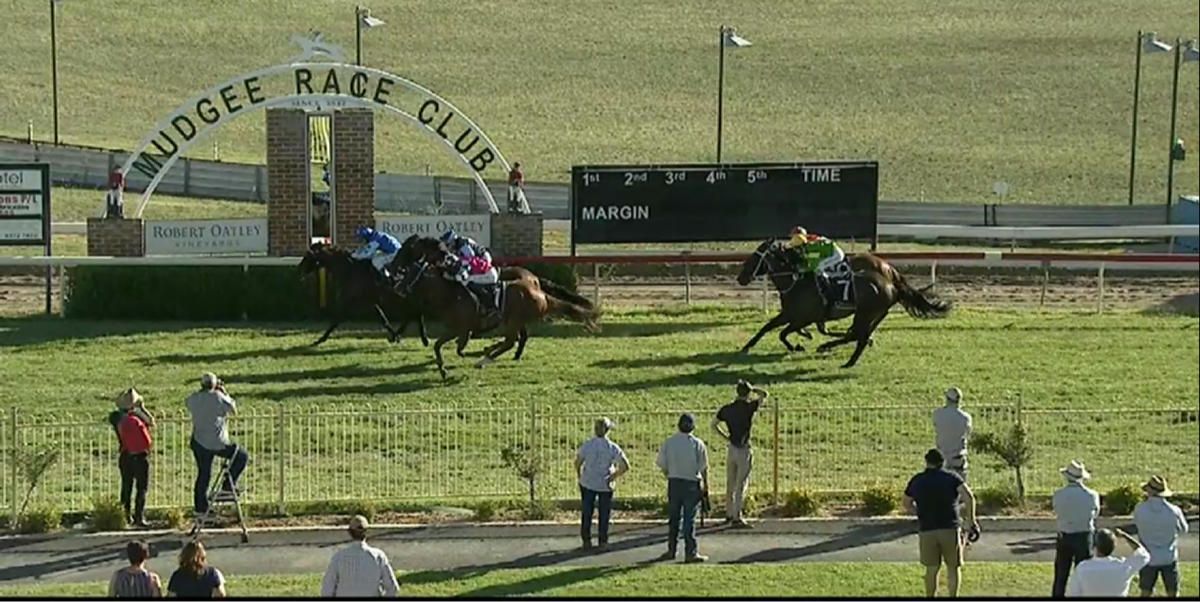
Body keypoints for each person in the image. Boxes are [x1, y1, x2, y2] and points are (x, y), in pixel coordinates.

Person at [903, 448, 979, 598]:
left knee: (931, 569)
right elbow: (969, 497)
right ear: (942, 462)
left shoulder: (917, 480)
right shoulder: (951, 477)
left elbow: (906, 503)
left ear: (926, 462)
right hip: (950, 528)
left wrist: (919, 513)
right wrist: (971, 521)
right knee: (953, 567)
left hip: (927, 529)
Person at [186, 373, 249, 518]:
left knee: (203, 474)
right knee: (241, 456)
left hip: (199, 442)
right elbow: (233, 409)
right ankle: (228, 484)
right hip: (218, 442)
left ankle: (200, 508)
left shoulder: (195, 398)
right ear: (214, 385)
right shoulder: (219, 397)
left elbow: (188, 402)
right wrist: (223, 392)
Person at [711, 379, 769, 528]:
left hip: (731, 447)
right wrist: (755, 389)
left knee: (730, 482)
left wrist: (726, 437)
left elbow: (714, 425)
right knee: (741, 483)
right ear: (747, 394)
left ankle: (729, 513)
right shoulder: (749, 408)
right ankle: (738, 516)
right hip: (744, 448)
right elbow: (764, 395)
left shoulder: (727, 409)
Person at [655, 413, 710, 563]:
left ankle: (671, 550)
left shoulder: (669, 442)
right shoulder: (697, 444)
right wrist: (706, 486)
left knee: (674, 518)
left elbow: (662, 464)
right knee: (689, 520)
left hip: (674, 482)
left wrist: (669, 475)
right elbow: (703, 467)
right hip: (691, 483)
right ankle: (690, 552)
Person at [575, 417, 630, 551]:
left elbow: (578, 461)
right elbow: (625, 465)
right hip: (605, 484)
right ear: (607, 430)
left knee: (587, 512)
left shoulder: (588, 445)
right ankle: (603, 541)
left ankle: (586, 540)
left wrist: (579, 475)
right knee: (604, 513)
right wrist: (613, 476)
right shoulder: (612, 447)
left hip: (588, 482)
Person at [1132, 475, 1189, 598]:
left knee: (1146, 592)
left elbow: (1137, 524)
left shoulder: (1140, 508)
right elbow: (1184, 529)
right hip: (1168, 556)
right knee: (1172, 592)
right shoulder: (1174, 511)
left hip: (1148, 556)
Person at [1051, 460, 1100, 598]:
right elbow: (1095, 513)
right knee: (1085, 575)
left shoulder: (1059, 494)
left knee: (1061, 575)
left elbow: (1057, 510)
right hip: (1084, 536)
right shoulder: (1092, 495)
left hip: (1065, 535)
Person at [107, 388, 155, 528]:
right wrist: (143, 409)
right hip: (140, 455)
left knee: (126, 486)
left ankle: (125, 516)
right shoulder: (136, 418)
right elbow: (151, 422)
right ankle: (139, 517)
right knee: (141, 487)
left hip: (125, 454)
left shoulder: (116, 418)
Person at [320, 515, 400, 598]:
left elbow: (327, 590)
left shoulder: (339, 557)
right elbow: (392, 588)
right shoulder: (378, 556)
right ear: (367, 532)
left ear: (349, 532)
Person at [782, 226, 850, 313]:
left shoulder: (810, 247)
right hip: (829, 251)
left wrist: (801, 270)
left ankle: (831, 290)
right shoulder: (806, 241)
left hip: (835, 254)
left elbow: (813, 265)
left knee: (819, 268)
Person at [1066, 528, 1151, 597]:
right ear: (1113, 547)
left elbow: (1072, 594)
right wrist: (1125, 536)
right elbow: (1144, 555)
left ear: (1094, 546)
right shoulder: (1124, 567)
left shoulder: (1082, 568)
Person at [438, 229, 500, 313]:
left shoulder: (462, 245)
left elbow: (470, 260)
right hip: (477, 262)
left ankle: (489, 304)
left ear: (452, 241)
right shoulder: (457, 245)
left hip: (483, 260)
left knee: (466, 280)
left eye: (447, 244)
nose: (446, 246)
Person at [932, 387, 972, 481]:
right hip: (958, 457)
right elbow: (968, 433)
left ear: (947, 399)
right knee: (960, 487)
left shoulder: (938, 414)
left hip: (942, 456)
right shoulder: (965, 418)